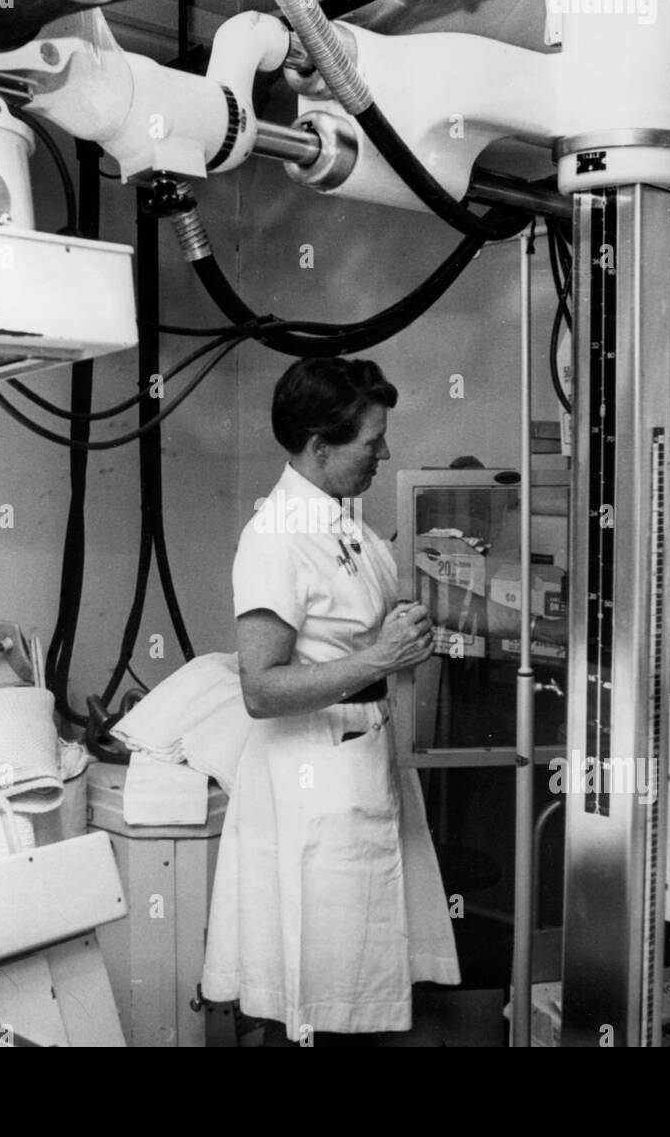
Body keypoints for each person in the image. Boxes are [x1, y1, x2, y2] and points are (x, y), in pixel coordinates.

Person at [200, 356, 461, 1045]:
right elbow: (260, 688)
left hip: (365, 760)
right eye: (371, 443)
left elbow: (364, 616)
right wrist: (380, 657)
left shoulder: (347, 525)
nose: (383, 455)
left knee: (368, 983)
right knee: (321, 992)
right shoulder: (275, 538)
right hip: (311, 782)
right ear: (320, 446)